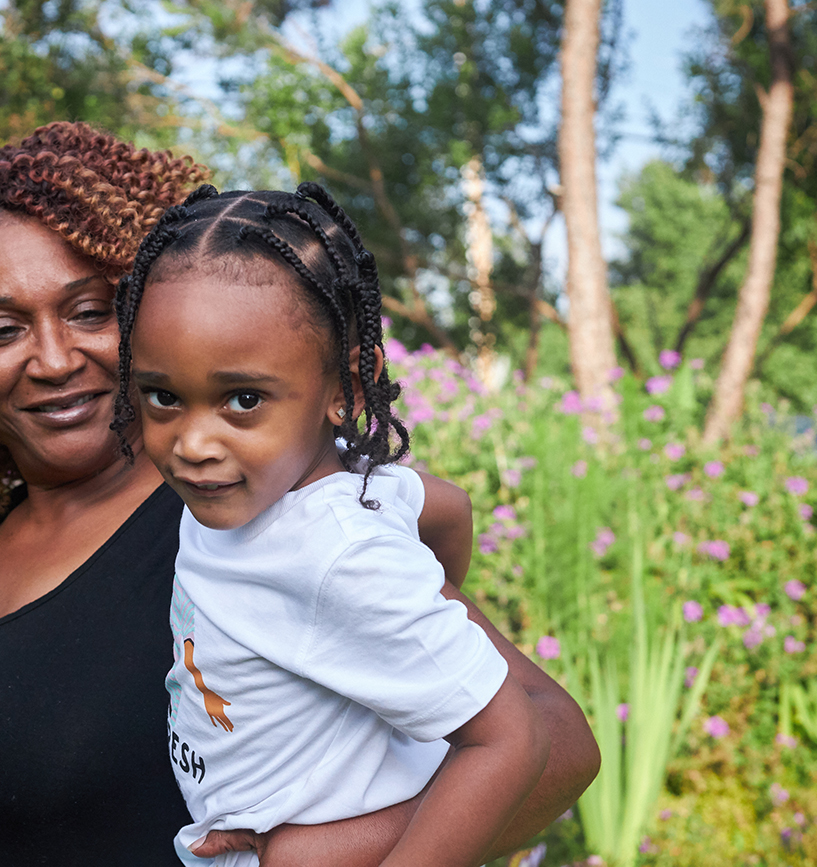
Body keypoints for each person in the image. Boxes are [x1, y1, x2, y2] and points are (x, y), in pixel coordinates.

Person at [0, 121, 598, 866]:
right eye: (0, 330)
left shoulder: (246, 512)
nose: (54, 359)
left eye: (90, 311)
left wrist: (321, 852)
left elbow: (553, 740)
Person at [112, 183, 550, 867]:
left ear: (346, 389)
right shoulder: (293, 485)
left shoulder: (341, 556)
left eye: (243, 399)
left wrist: (409, 605)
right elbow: (448, 506)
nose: (191, 444)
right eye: (163, 396)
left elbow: (512, 739)